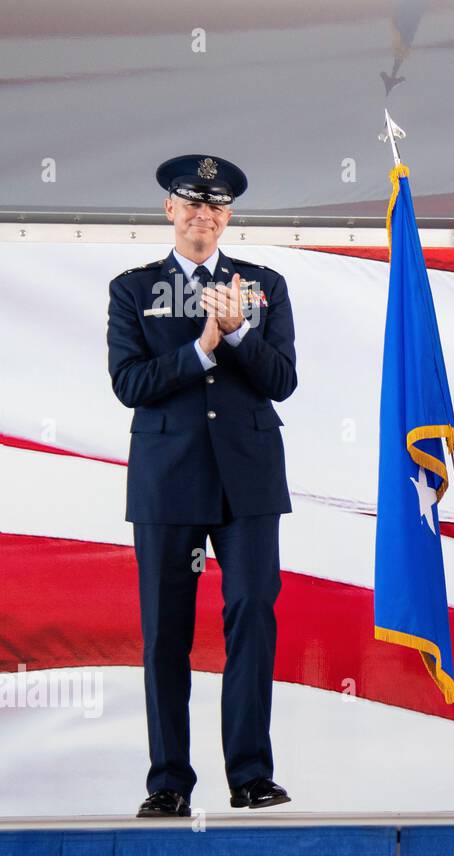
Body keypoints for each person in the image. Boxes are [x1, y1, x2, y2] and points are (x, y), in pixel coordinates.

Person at [107, 155, 297, 817]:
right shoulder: (132, 289)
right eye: (190, 204)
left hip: (247, 482)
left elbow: (282, 381)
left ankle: (250, 776)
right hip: (169, 481)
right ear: (169, 210)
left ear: (228, 216)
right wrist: (201, 347)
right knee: (166, 632)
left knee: (251, 614)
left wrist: (240, 331)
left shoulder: (264, 285)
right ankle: (168, 783)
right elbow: (129, 384)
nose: (202, 215)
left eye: (214, 206)